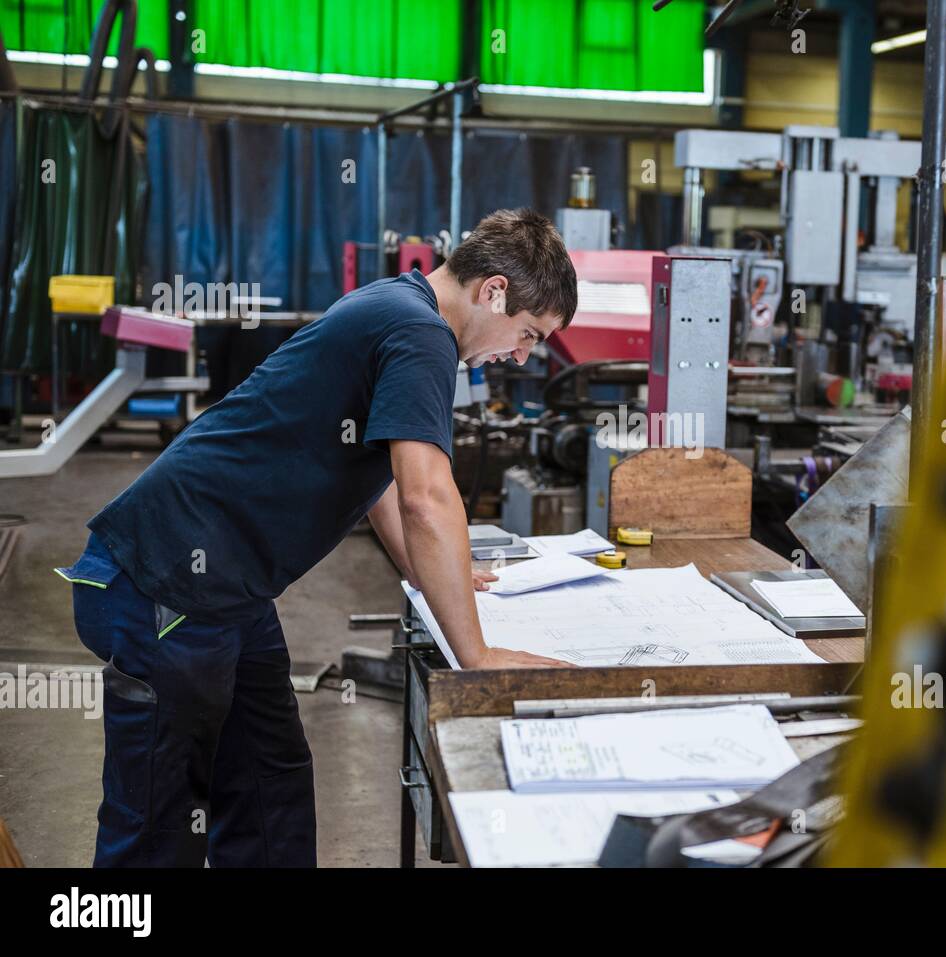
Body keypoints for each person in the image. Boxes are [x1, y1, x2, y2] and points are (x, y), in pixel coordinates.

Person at [55, 208, 578, 867]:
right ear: (494, 291)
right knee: (160, 825)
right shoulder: (421, 332)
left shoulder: (402, 303)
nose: (522, 355)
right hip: (159, 585)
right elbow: (425, 492)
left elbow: (382, 477)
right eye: (529, 334)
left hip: (227, 591)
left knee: (270, 785)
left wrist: (426, 569)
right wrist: (476, 655)